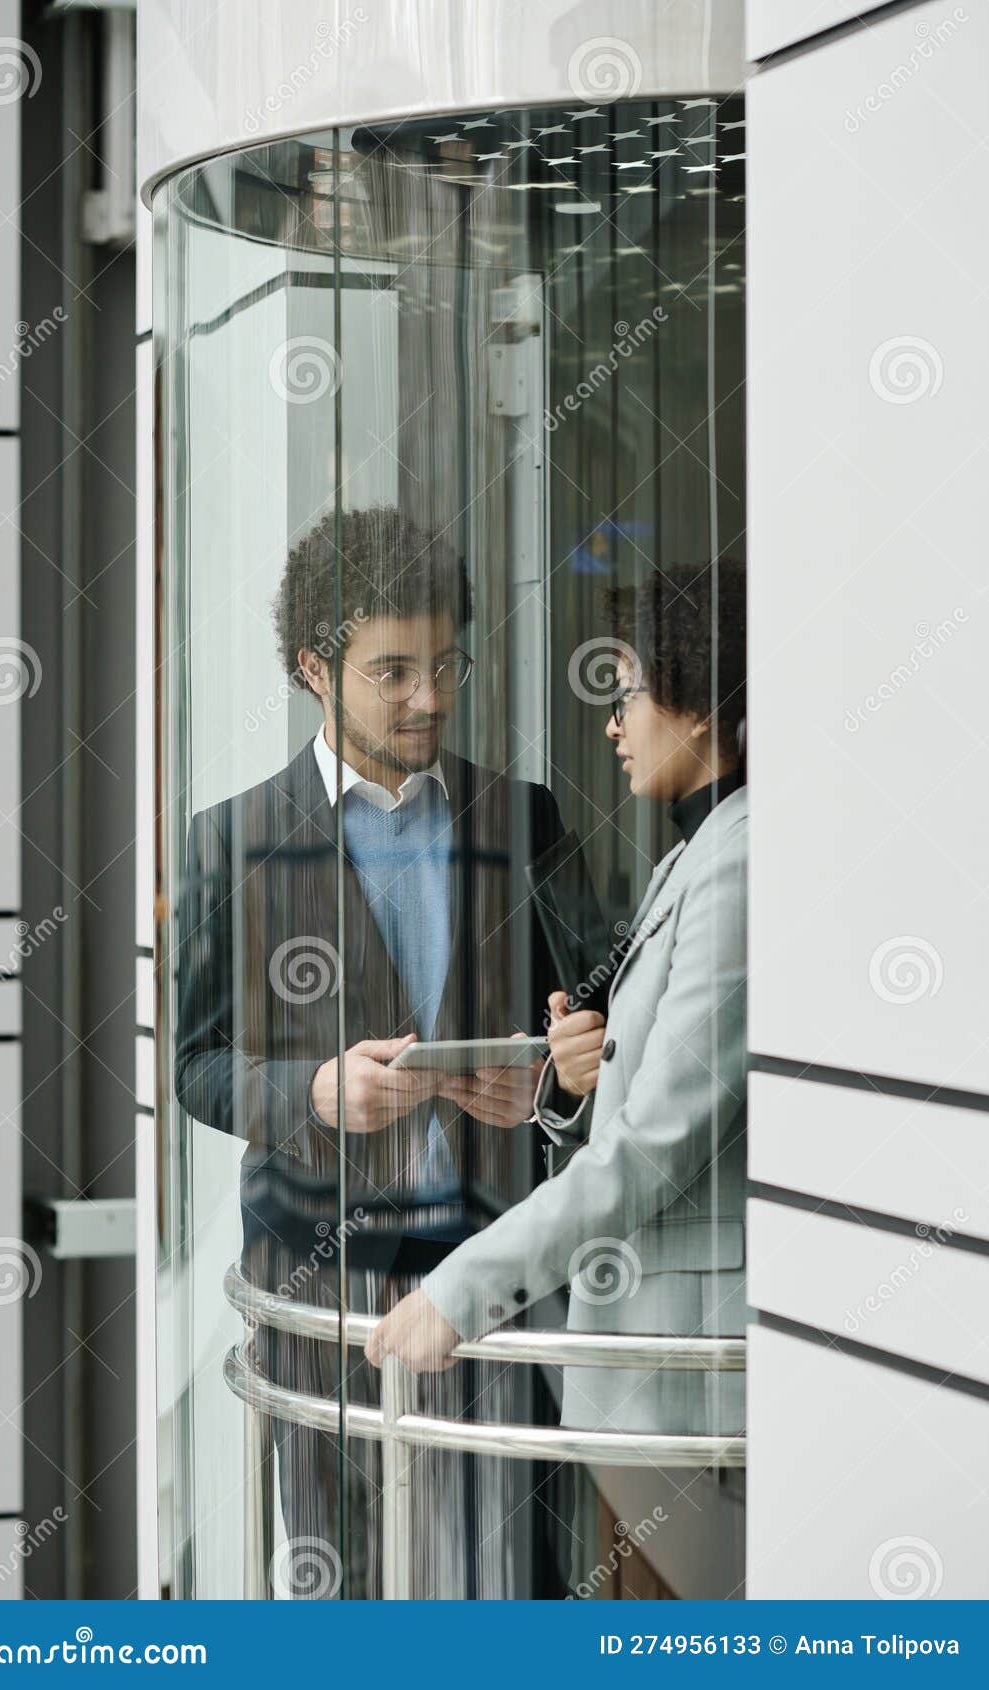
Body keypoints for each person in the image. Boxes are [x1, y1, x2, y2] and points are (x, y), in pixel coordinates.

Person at [174, 504, 566, 1596]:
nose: (429, 698)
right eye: (394, 671)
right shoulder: (230, 839)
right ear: (314, 665)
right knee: (330, 1578)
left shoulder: (523, 816)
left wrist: (540, 1083)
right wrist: (310, 1089)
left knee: (497, 1576)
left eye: (446, 664)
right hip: (317, 1273)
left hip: (491, 1267)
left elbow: (592, 1020)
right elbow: (191, 1062)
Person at [367, 560, 749, 1449]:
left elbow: (657, 1144)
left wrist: (463, 1290)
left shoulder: (736, 861)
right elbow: (641, 1093)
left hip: (686, 1367)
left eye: (627, 699)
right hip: (648, 1349)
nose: (613, 727)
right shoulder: (688, 859)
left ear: (695, 708)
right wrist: (578, 1079)